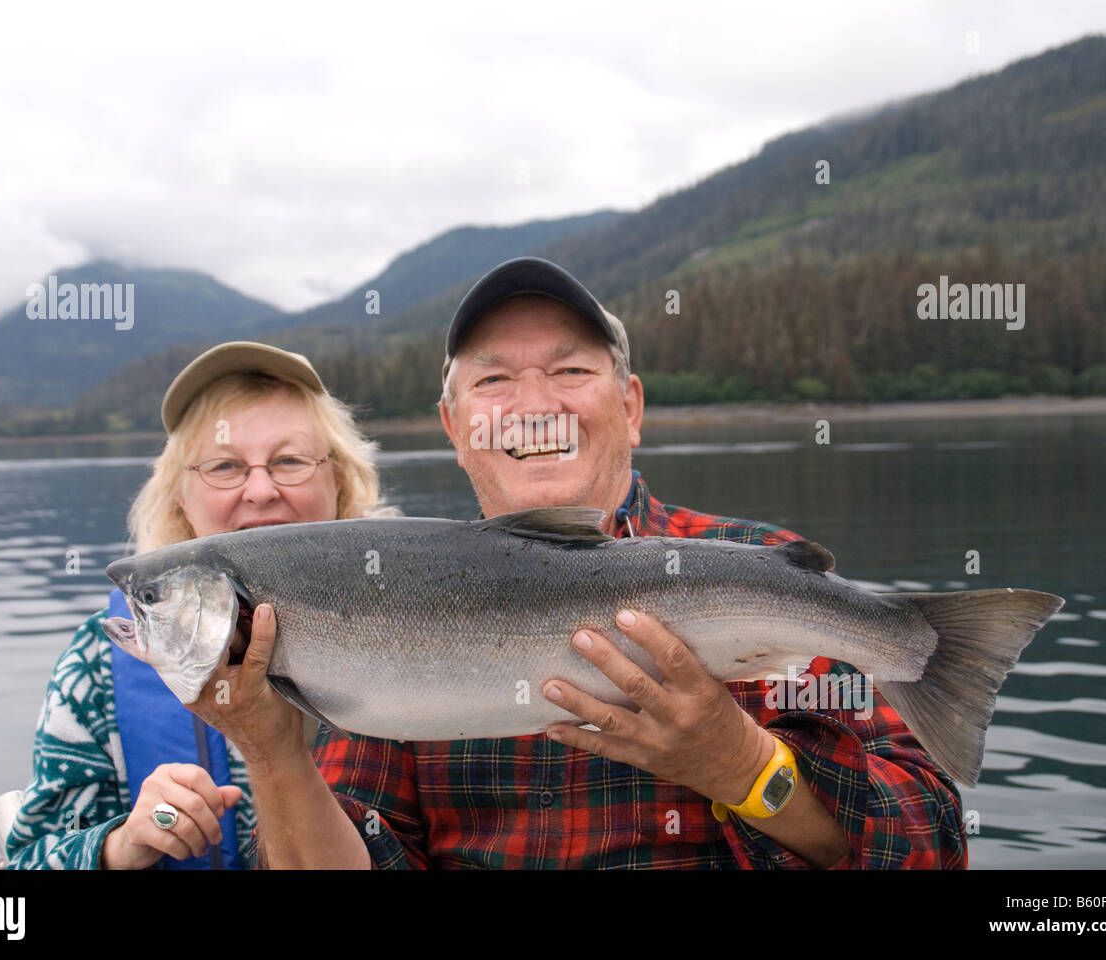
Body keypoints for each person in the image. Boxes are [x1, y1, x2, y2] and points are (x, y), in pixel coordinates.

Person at [188, 259, 968, 869]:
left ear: (629, 408)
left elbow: (931, 846)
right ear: (455, 429)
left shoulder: (759, 572)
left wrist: (742, 767)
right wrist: (271, 748)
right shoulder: (383, 593)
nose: (533, 403)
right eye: (494, 379)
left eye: (569, 371)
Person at [5, 341, 391, 869]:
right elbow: (26, 862)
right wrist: (121, 846)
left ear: (340, 482)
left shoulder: (423, 621)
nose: (260, 489)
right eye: (225, 466)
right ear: (178, 500)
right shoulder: (100, 661)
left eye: (290, 461)